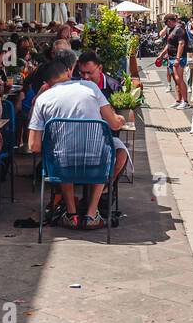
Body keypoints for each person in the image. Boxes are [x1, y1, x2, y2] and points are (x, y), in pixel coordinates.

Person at [27, 49, 128, 231]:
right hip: (97, 163)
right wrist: (119, 119)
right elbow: (113, 124)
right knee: (107, 150)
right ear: (68, 72)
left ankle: (72, 215)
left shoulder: (42, 99)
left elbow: (33, 146)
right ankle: (91, 213)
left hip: (60, 166)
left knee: (60, 150)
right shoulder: (90, 88)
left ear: (46, 82)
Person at [160, 13, 189, 109]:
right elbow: (169, 44)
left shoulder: (179, 29)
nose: (165, 25)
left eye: (166, 22)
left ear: (169, 21)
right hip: (171, 57)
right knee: (176, 80)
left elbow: (181, 44)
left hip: (178, 58)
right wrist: (162, 55)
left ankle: (185, 101)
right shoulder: (171, 29)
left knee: (179, 79)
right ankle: (178, 100)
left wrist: (177, 58)